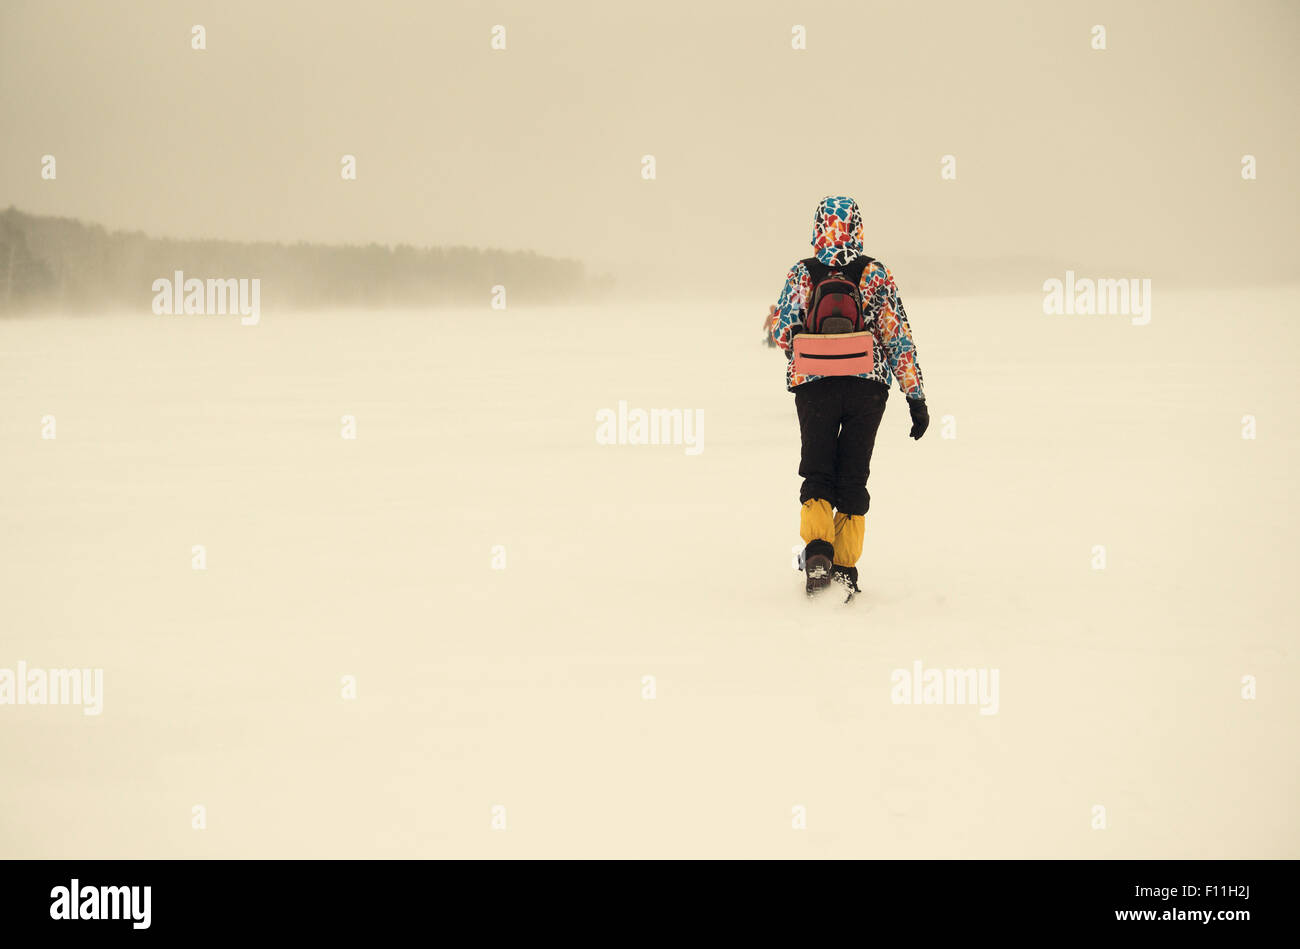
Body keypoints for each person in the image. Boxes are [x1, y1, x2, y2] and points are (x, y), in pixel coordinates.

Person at [769, 195, 928, 598]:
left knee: (818, 469)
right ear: (856, 226)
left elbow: (783, 332)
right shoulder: (875, 273)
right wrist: (915, 397)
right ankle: (844, 568)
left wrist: (812, 348)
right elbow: (898, 337)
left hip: (814, 384)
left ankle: (818, 550)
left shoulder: (803, 272)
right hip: (867, 387)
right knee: (853, 476)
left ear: (818, 227)